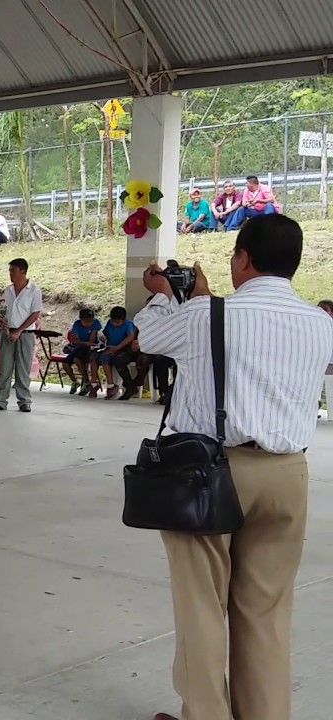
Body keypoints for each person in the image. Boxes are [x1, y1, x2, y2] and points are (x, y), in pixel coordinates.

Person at [134, 214, 333, 720]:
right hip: (289, 474)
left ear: (242, 258)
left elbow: (149, 337)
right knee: (266, 611)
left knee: (202, 605)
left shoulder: (207, 315)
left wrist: (164, 292)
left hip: (211, 472)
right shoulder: (321, 323)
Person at [0, 258, 42, 413]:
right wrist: (3, 322)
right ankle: (0, 400)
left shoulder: (34, 290)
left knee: (23, 368)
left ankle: (24, 400)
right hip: (7, 332)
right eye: (10, 270)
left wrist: (19, 330)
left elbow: (35, 313)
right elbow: (4, 309)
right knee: (4, 367)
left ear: (22, 271)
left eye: (13, 270)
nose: (10, 274)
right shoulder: (8, 290)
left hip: (25, 333)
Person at [96, 305, 137, 399]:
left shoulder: (128, 324)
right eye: (113, 321)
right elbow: (104, 333)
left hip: (123, 349)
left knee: (117, 360)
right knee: (103, 357)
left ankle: (125, 385)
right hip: (110, 347)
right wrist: (102, 337)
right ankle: (111, 385)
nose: (114, 324)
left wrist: (117, 347)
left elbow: (130, 337)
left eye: (118, 322)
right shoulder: (109, 324)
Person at [63, 307, 102, 396]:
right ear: (81, 320)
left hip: (91, 348)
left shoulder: (96, 323)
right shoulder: (77, 324)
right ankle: (74, 381)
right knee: (65, 363)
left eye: (90, 321)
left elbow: (92, 340)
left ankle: (86, 382)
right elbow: (74, 340)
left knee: (77, 359)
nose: (88, 324)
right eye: (86, 322)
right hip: (79, 346)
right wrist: (84, 342)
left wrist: (93, 332)